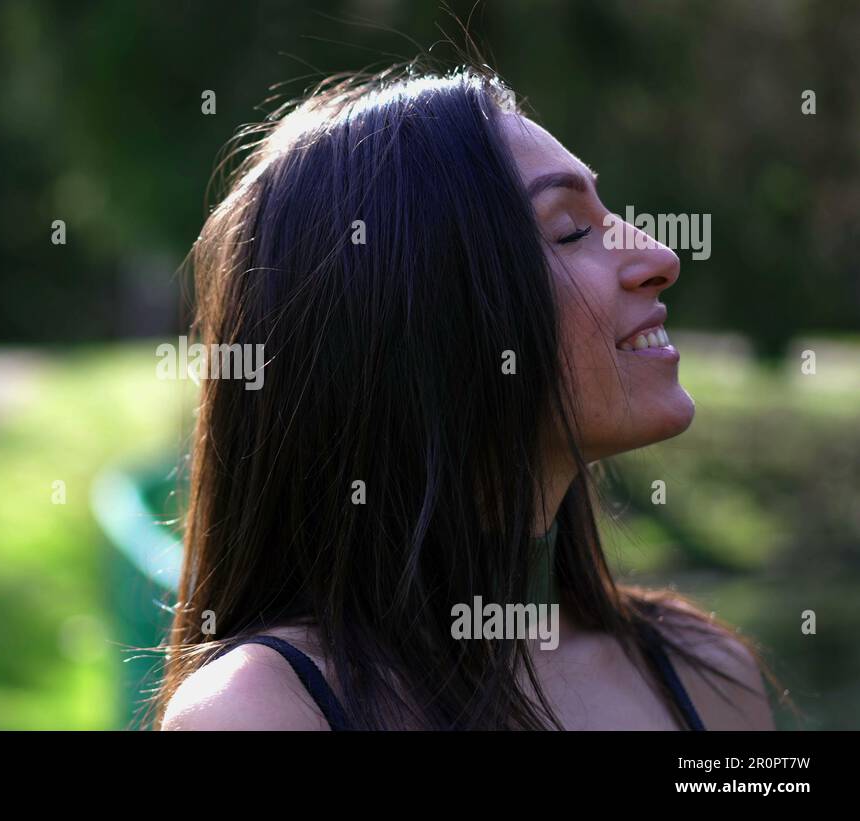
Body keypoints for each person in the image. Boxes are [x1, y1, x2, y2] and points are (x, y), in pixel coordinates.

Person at [155, 66, 776, 730]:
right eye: (570, 230)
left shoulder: (707, 674)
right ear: (417, 318)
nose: (658, 256)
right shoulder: (266, 711)